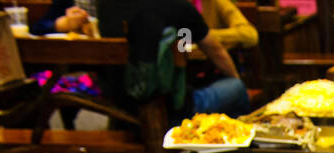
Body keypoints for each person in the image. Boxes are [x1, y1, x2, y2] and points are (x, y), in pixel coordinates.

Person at [96, 0, 250, 118]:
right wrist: (235, 77)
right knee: (237, 87)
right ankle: (235, 143)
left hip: (119, 109)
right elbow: (216, 51)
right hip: (170, 112)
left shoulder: (104, 4)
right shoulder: (175, 4)